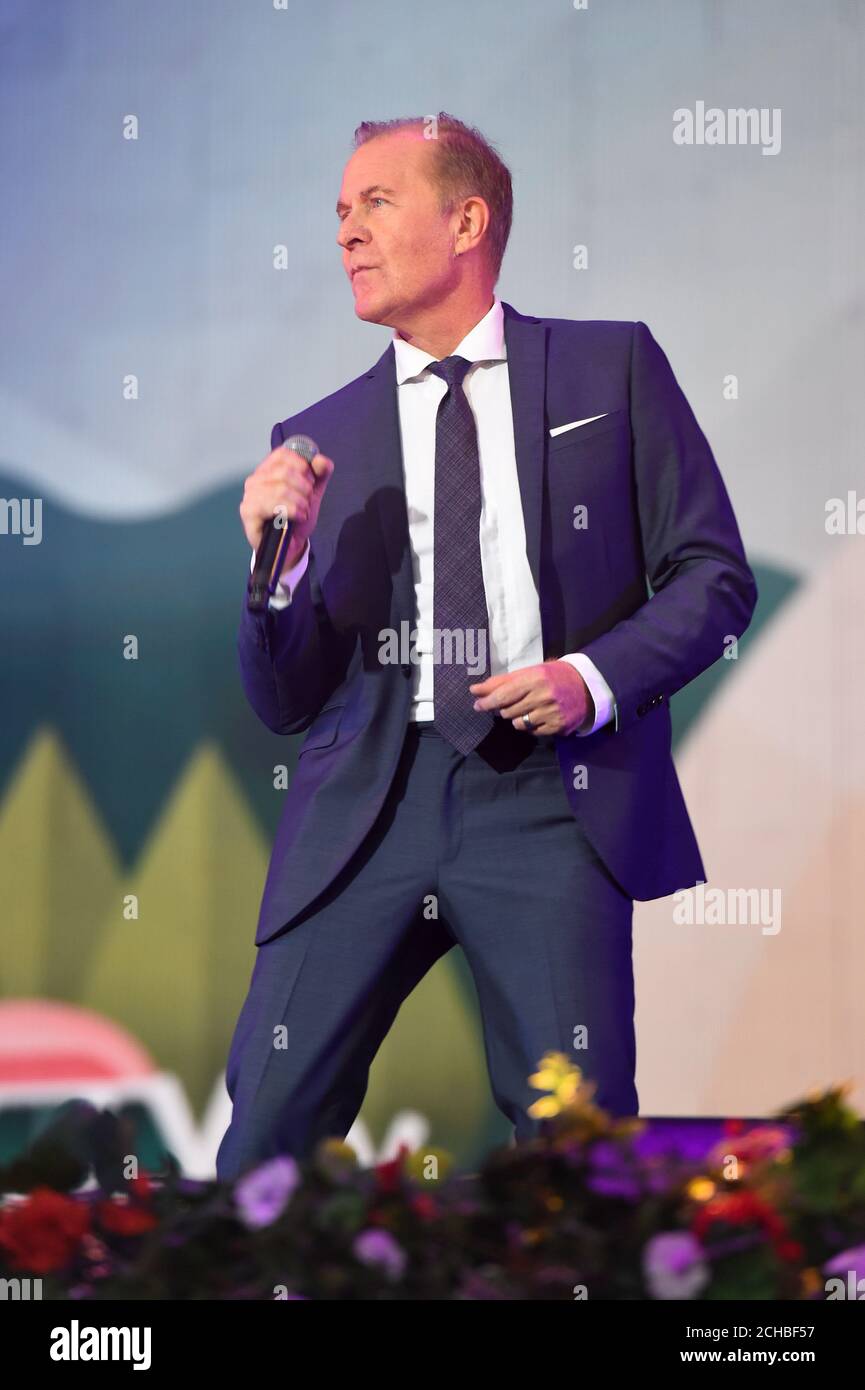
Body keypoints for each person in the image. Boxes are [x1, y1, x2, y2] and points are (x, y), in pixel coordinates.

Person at [215, 112, 757, 1182]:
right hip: (367, 804)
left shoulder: (610, 369)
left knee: (577, 1149)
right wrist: (273, 568)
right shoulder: (317, 435)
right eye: (336, 214)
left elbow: (713, 577)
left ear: (467, 220)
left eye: (374, 203)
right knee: (265, 1136)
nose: (345, 235)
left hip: (549, 798)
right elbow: (285, 700)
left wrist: (589, 679)